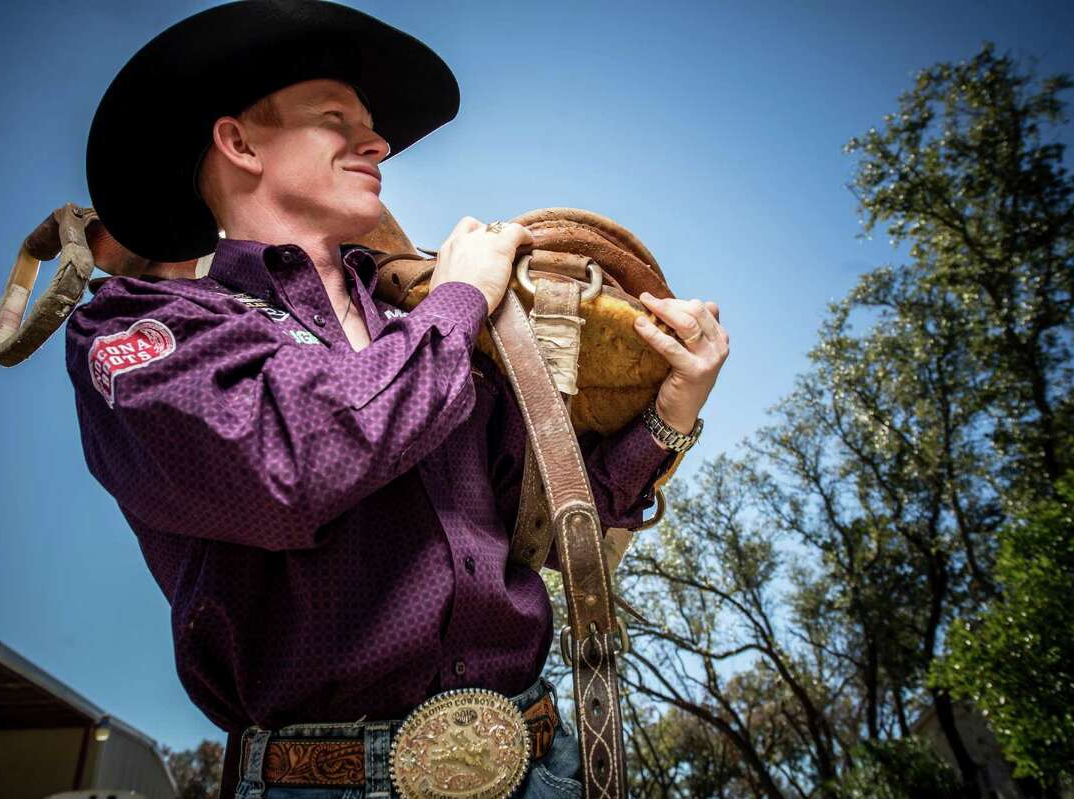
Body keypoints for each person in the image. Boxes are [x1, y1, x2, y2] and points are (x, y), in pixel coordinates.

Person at [66, 2, 728, 797]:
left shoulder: (427, 327)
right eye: (335, 119)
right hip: (326, 782)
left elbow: (542, 523)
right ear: (239, 143)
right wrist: (457, 304)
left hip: (543, 764)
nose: (375, 142)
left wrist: (674, 410)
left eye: (370, 126)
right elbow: (288, 463)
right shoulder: (146, 329)